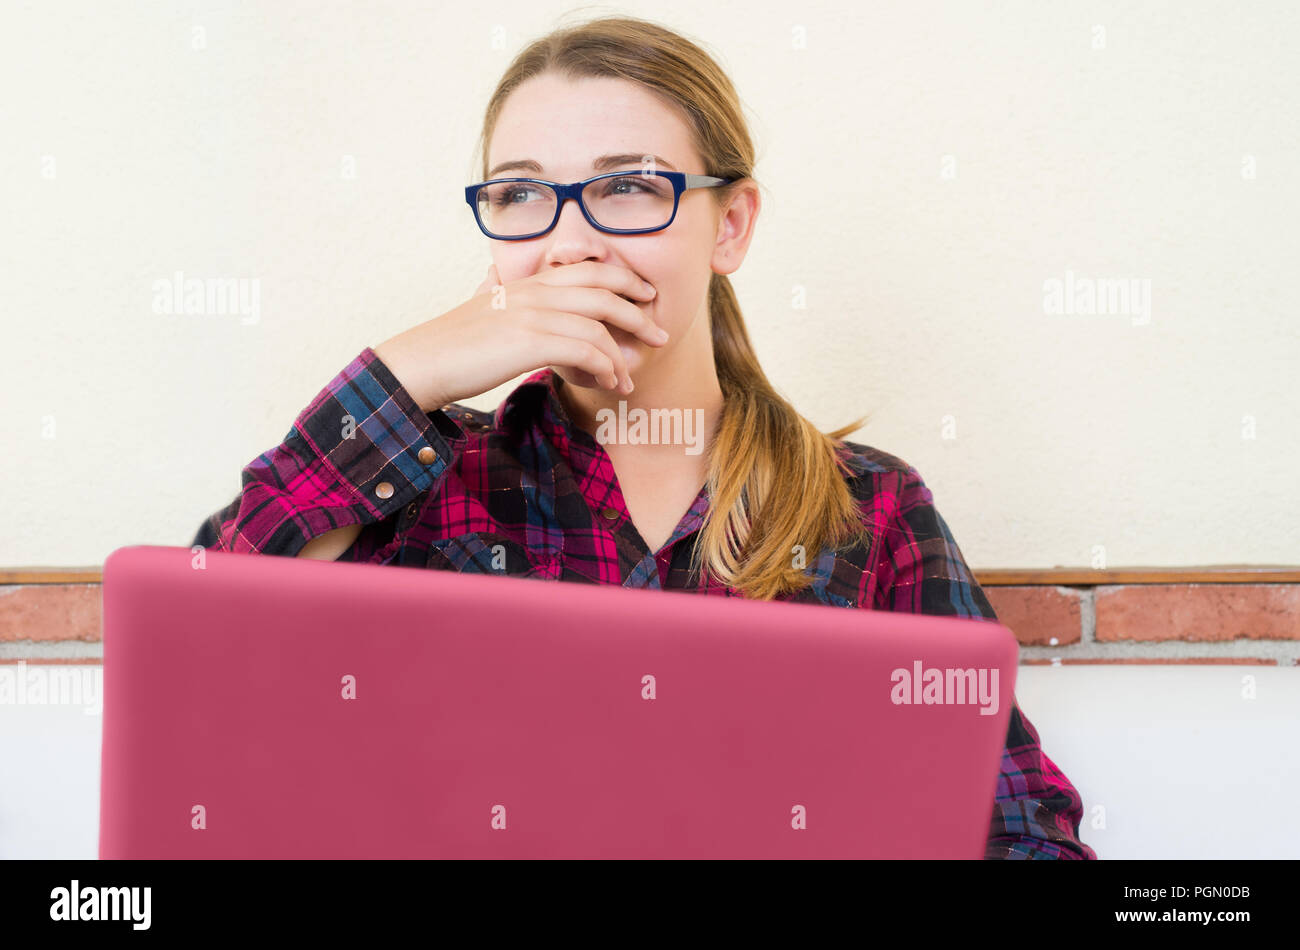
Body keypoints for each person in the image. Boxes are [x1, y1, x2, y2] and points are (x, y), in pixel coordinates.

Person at [192, 14, 1096, 860]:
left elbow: (1017, 830)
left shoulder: (872, 510)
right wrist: (407, 371)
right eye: (522, 195)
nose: (571, 243)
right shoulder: (418, 490)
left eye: (626, 187)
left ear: (729, 225)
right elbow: (202, 664)